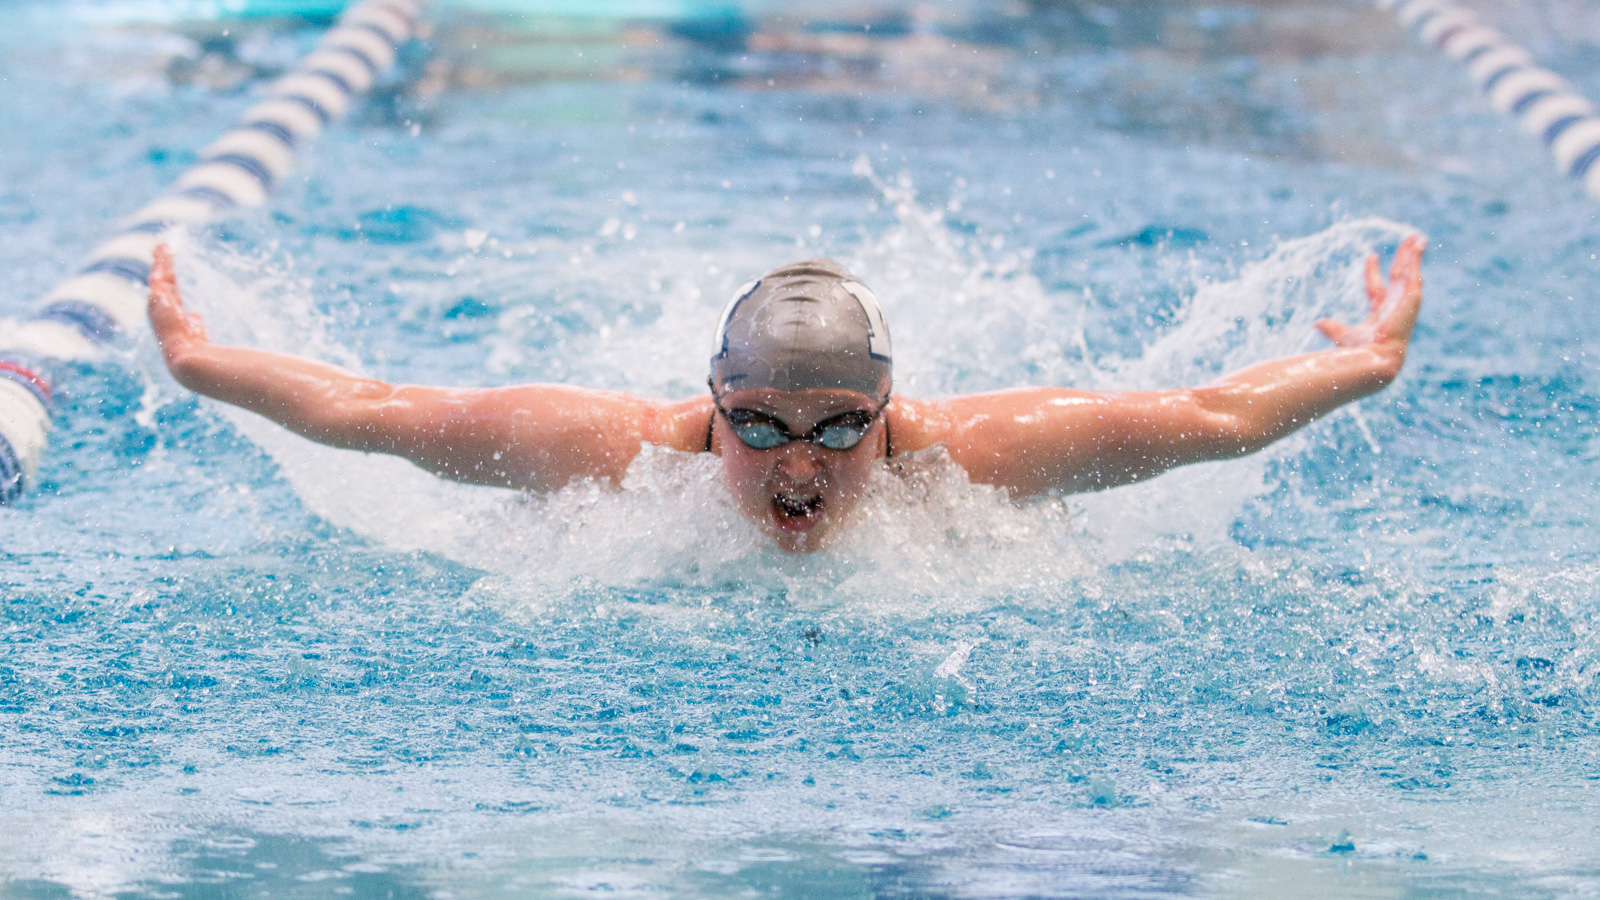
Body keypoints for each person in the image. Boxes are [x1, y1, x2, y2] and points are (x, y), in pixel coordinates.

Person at [147, 235, 1426, 553]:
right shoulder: (610, 455)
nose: (795, 467)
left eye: (837, 433)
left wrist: (1363, 363)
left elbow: (1213, 419)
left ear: (890, 412)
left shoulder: (973, 458)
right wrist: (206, 365)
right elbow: (373, 411)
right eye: (754, 427)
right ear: (707, 404)